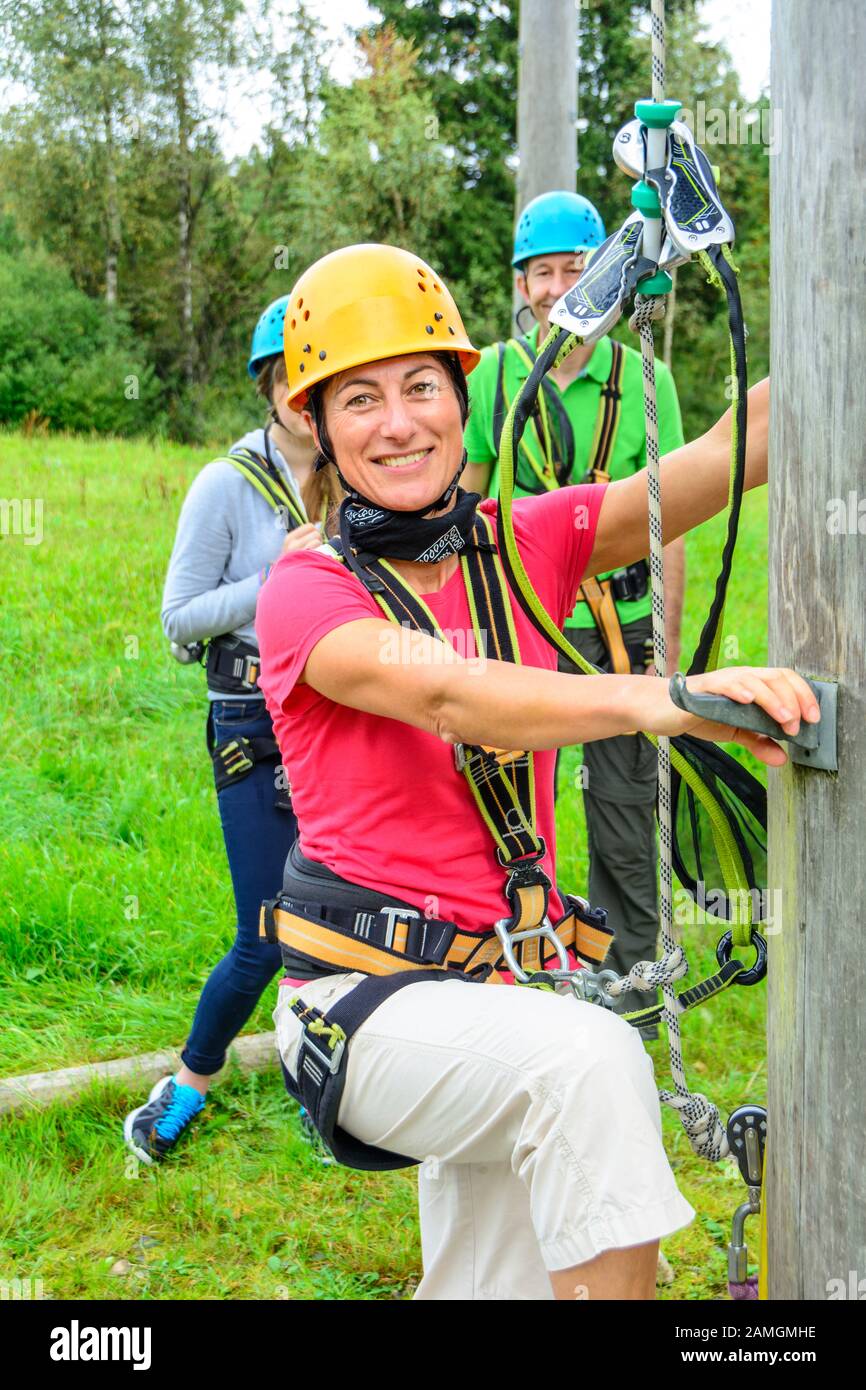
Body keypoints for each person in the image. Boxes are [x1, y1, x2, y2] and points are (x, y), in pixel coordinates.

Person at [254, 243, 817, 1301]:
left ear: (464, 399)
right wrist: (661, 698)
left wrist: (834, 332)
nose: (399, 421)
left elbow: (723, 451)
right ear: (315, 425)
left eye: (422, 386)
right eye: (360, 398)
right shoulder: (306, 587)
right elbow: (443, 689)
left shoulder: (523, 544)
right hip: (361, 1006)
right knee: (589, 1059)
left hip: (498, 994)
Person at [463, 190, 687, 1032]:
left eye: (573, 270)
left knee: (626, 805)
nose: (558, 289)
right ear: (522, 286)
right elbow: (470, 504)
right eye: (542, 273)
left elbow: (669, 524)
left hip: (621, 633)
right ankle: (524, 956)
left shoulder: (645, 380)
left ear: (606, 273)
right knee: (515, 801)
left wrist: (663, 644)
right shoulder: (490, 380)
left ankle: (629, 970)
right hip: (526, 625)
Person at [124, 295, 339, 1164]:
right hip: (252, 721)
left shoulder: (353, 469)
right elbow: (178, 617)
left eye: (320, 379)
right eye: (292, 377)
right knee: (263, 935)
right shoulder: (227, 484)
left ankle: (315, 1085)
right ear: (270, 385)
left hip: (332, 714)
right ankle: (188, 1085)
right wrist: (282, 578)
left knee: (333, 918)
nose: (304, 394)